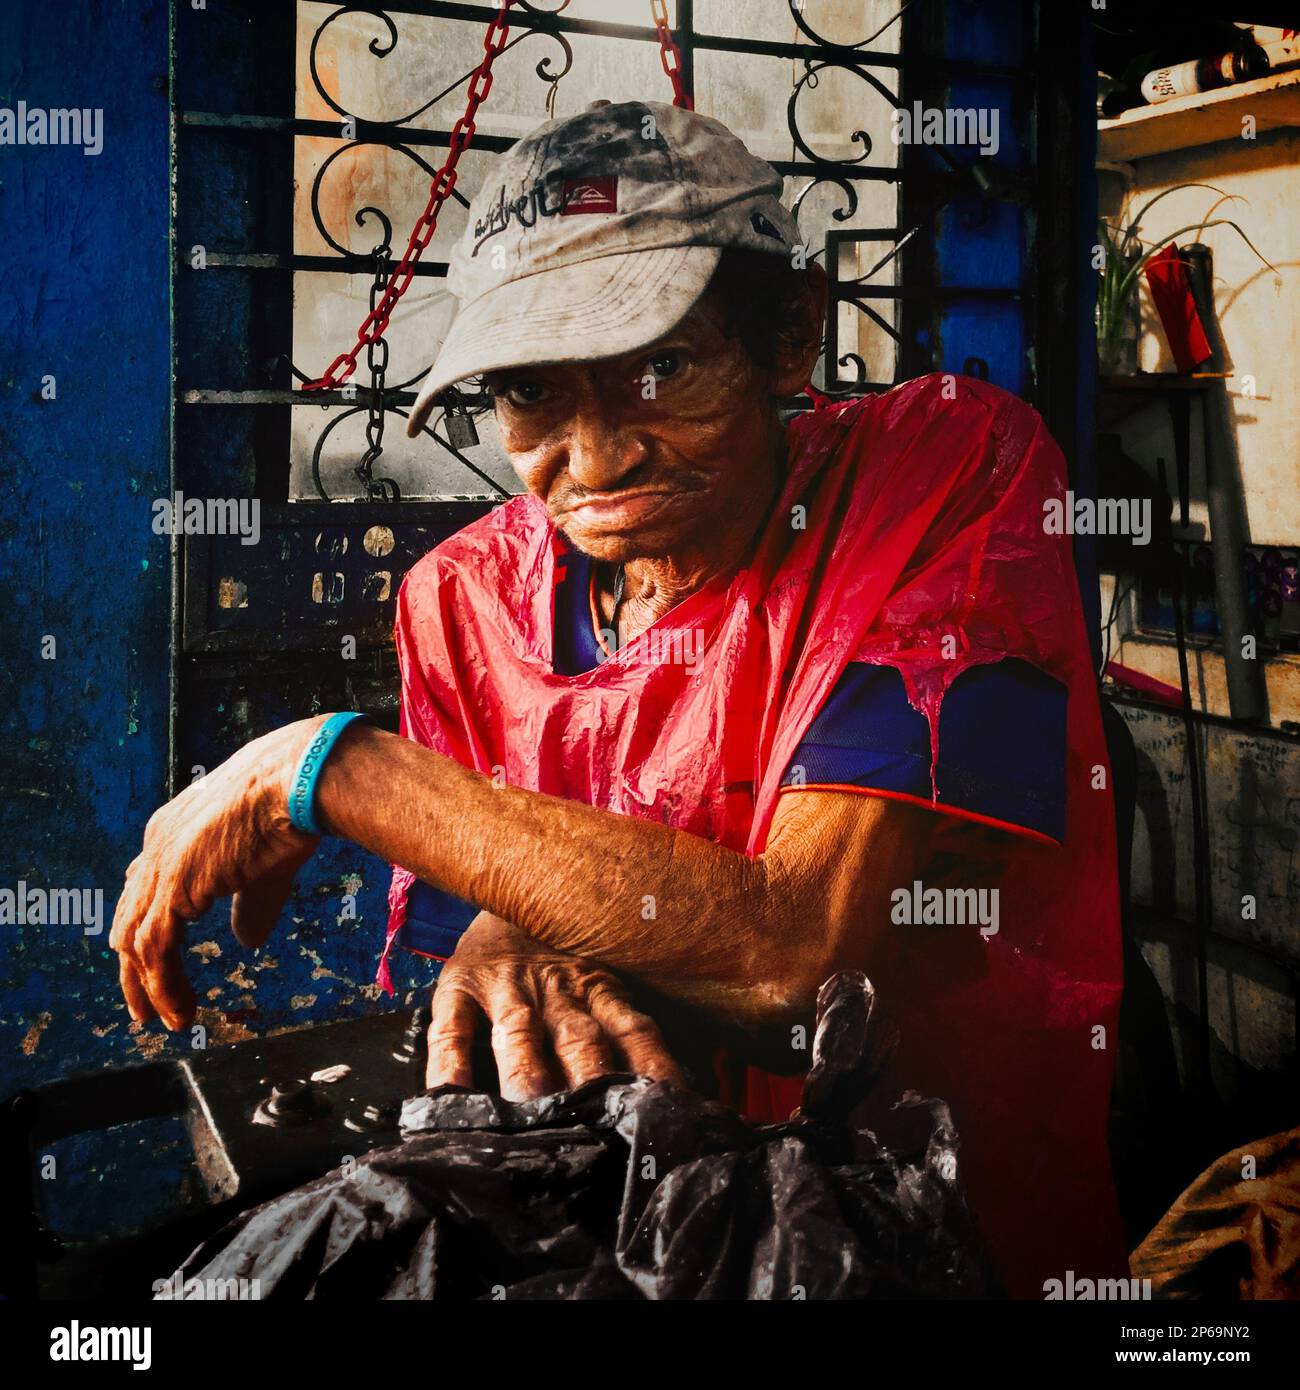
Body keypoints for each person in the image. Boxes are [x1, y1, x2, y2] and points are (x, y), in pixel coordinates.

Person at [111, 100, 1127, 1296]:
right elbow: (485, 974)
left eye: (663, 368)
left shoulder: (950, 470)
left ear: (790, 335)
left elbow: (793, 955)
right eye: (531, 393)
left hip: (936, 1227)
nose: (592, 463)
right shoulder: (462, 597)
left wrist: (340, 768)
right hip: (617, 1237)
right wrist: (521, 910)